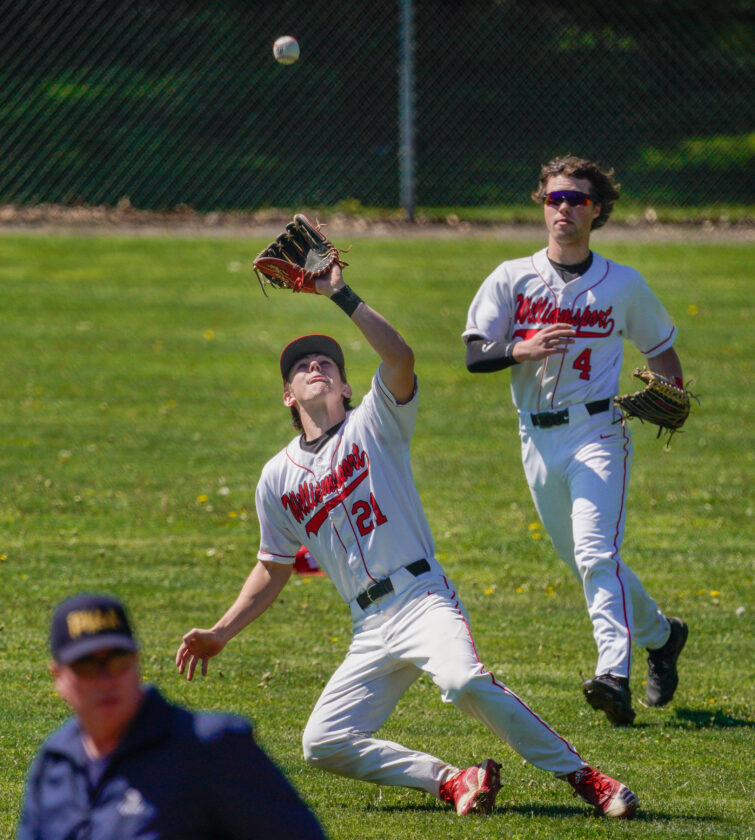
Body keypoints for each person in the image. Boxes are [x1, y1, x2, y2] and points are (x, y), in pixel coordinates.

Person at [176, 262, 638, 819]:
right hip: (367, 627)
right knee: (321, 742)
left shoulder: (375, 422)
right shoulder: (276, 479)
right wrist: (221, 633)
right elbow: (272, 566)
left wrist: (340, 294)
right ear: (287, 396)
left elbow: (400, 358)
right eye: (301, 366)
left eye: (327, 362)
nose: (315, 365)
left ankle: (585, 778)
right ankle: (452, 780)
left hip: (421, 598)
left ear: (346, 385)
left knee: (463, 680)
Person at [463, 155, 688, 726]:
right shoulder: (511, 277)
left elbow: (660, 350)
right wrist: (521, 348)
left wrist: (670, 389)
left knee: (594, 553)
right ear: (542, 204)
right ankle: (662, 636)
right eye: (555, 198)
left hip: (597, 432)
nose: (564, 208)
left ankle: (614, 675)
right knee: (583, 558)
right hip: (535, 440)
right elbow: (474, 352)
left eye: (577, 199)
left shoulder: (622, 284)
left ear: (597, 210)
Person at [17, 593, 326, 840]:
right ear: (58, 677)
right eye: (86, 666)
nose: (106, 680)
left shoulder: (210, 749)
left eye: (118, 661)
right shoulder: (56, 764)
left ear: (137, 662)